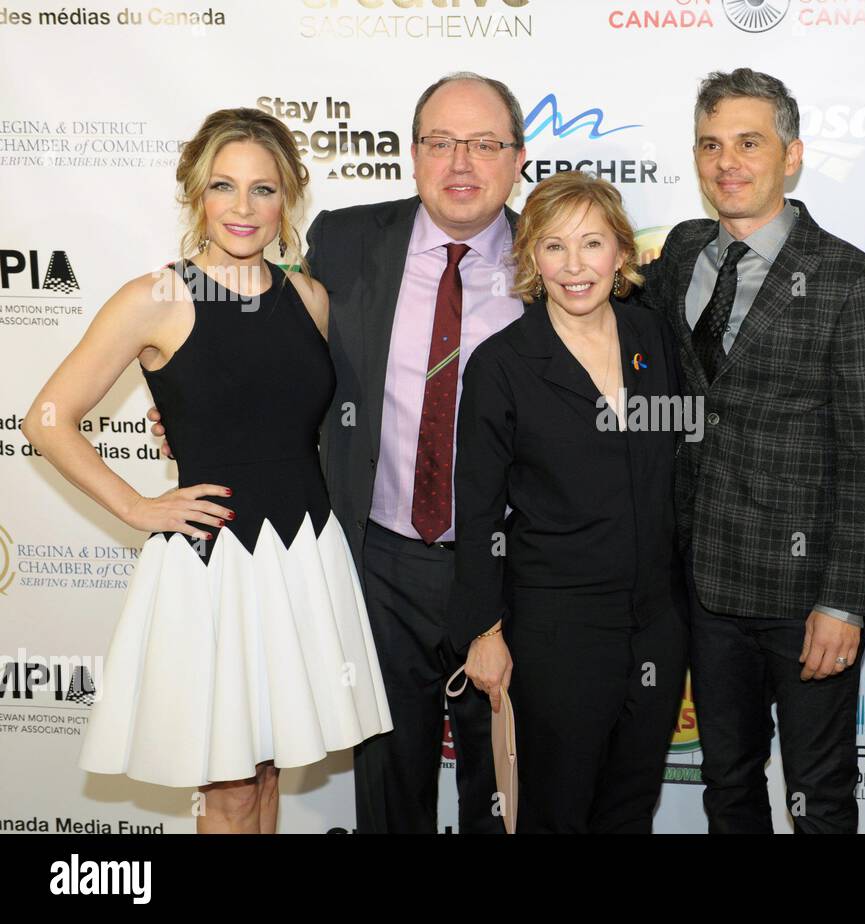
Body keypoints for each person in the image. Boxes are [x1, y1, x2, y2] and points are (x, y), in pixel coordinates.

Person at [151, 73, 529, 834]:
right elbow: (280, 360)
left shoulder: (553, 259)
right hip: (375, 563)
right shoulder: (348, 241)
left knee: (507, 784)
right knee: (387, 790)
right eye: (441, 143)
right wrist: (203, 417)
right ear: (412, 155)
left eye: (485, 144)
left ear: (519, 159)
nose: (461, 163)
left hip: (511, 565)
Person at [22, 107, 392, 834]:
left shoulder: (308, 298)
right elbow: (46, 419)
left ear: (287, 198)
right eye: (224, 186)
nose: (243, 208)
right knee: (225, 788)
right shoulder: (155, 298)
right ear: (196, 194)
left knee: (263, 775)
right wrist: (136, 507)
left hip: (301, 555)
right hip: (213, 559)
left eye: (264, 189)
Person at [639, 69, 865, 833]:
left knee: (819, 796)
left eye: (749, 142)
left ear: (791, 156)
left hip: (805, 595)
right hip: (705, 585)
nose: (728, 162)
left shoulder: (852, 280)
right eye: (711, 144)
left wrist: (844, 602)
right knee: (728, 786)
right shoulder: (683, 253)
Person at [451, 171, 689, 833]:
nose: (575, 265)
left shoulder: (653, 339)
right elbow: (476, 509)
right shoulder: (504, 363)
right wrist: (483, 631)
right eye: (554, 247)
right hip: (557, 626)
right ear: (530, 259)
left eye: (592, 243)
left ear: (622, 252)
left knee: (630, 805)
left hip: (656, 621)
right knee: (556, 809)